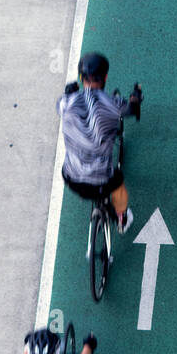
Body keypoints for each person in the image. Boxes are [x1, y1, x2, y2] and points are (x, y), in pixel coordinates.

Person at [58, 52, 142, 233]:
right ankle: (122, 219)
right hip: (101, 180)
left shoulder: (66, 103)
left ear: (81, 78)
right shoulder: (113, 103)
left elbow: (61, 104)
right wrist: (136, 97)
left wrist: (70, 93)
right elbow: (131, 109)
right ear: (105, 77)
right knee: (118, 186)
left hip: (71, 177)